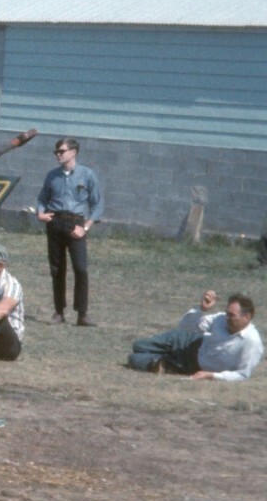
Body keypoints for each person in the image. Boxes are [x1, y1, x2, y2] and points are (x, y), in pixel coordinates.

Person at [36, 137, 103, 326]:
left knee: (81, 269)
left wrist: (86, 227)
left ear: (73, 152)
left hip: (76, 224)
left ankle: (82, 314)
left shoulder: (87, 175)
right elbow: (42, 198)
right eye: (56, 152)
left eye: (62, 151)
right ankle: (59, 312)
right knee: (57, 269)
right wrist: (41, 213)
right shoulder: (52, 176)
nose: (58, 155)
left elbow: (97, 205)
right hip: (55, 222)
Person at [127, 291, 262, 381]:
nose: (227, 318)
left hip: (195, 365)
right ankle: (164, 361)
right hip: (190, 343)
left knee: (134, 358)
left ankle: (162, 364)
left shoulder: (251, 341)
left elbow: (242, 375)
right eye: (227, 313)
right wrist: (201, 309)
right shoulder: (220, 319)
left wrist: (212, 375)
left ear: (247, 317)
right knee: (138, 345)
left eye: (232, 315)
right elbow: (186, 326)